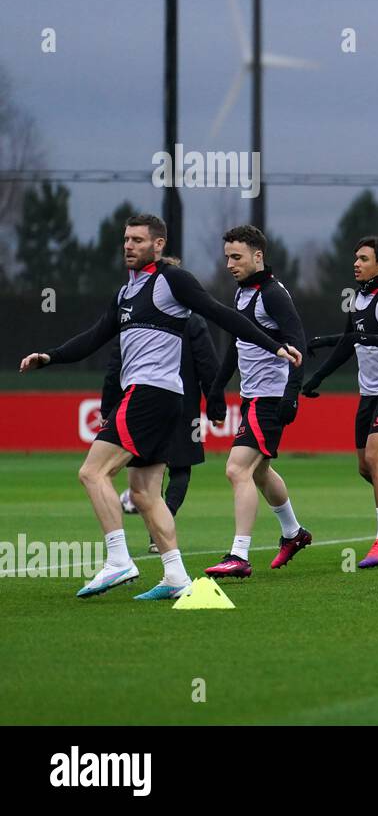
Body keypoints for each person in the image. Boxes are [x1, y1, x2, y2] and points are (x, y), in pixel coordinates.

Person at [20, 214, 301, 600]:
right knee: (144, 493)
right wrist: (50, 357)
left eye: (137, 239)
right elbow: (94, 337)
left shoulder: (172, 280)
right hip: (162, 399)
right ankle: (176, 577)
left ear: (158, 244)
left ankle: (118, 560)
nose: (128, 246)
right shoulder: (125, 294)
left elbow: (222, 314)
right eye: (126, 239)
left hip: (149, 395)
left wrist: (275, 346)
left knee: (92, 471)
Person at [301, 235, 378, 569]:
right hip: (369, 393)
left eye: (364, 258)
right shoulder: (358, 297)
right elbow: (348, 343)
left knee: (376, 457)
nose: (356, 263)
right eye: (356, 257)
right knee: (366, 467)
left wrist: (365, 337)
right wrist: (318, 377)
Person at [204, 226, 312, 579]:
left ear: (258, 256)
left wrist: (292, 394)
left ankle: (239, 555)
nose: (230, 265)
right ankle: (294, 533)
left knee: (237, 470)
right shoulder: (241, 294)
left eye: (237, 257)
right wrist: (218, 388)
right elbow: (239, 345)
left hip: (271, 398)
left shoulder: (273, 294)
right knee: (260, 472)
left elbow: (299, 343)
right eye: (227, 258)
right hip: (251, 397)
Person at [106, 257, 225, 555]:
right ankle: (165, 519)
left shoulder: (136, 316)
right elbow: (208, 363)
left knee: (149, 468)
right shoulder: (192, 319)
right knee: (181, 467)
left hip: (143, 400)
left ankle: (152, 532)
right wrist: (216, 404)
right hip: (183, 404)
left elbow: (115, 365)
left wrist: (107, 406)